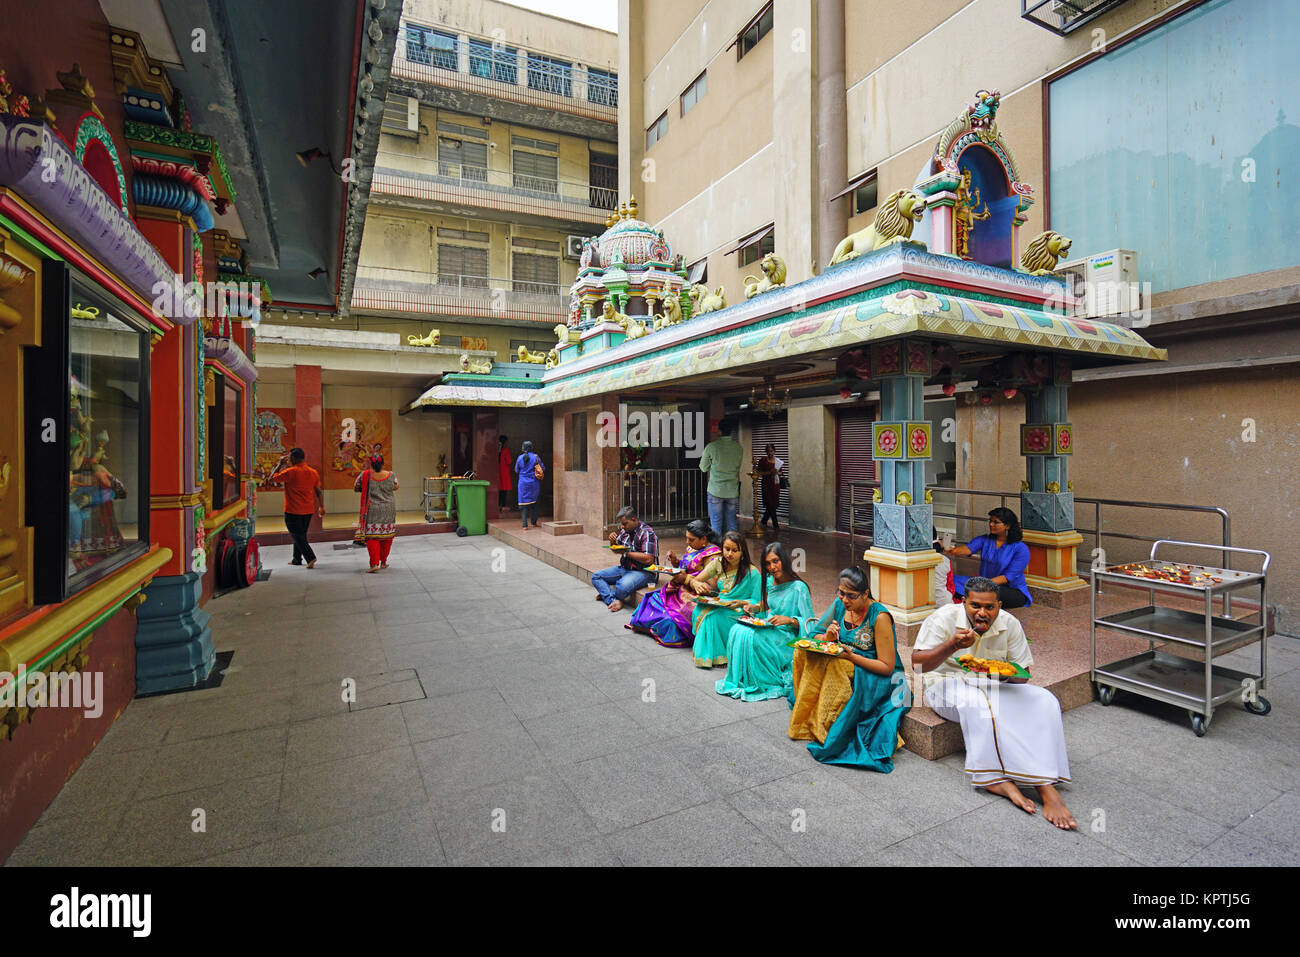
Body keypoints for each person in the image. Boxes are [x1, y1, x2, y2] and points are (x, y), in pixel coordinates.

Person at [911, 577, 1076, 830]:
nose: (982, 613)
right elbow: (918, 665)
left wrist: (1001, 673)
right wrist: (952, 644)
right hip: (945, 685)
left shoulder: (1010, 624)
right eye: (975, 605)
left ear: (999, 605)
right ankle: (994, 778)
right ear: (963, 602)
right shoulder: (943, 618)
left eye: (990, 607)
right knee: (980, 703)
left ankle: (1045, 782)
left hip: (992, 684)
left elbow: (1023, 675)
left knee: (1045, 701)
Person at [787, 566, 908, 771]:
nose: (844, 600)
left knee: (835, 665)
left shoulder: (879, 617)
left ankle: (828, 728)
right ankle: (807, 720)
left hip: (878, 676)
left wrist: (852, 657)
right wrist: (828, 637)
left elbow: (887, 667)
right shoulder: (840, 605)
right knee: (804, 652)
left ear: (865, 594)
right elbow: (815, 634)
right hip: (844, 657)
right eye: (841, 593)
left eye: (851, 596)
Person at [715, 541, 813, 702]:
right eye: (768, 564)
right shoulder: (770, 579)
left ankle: (759, 679)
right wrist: (754, 608)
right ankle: (743, 679)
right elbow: (767, 604)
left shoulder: (798, 588)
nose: (772, 567)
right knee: (738, 630)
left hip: (787, 636)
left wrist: (789, 620)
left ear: (784, 560)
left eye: (776, 561)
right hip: (769, 626)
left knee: (751, 637)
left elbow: (810, 624)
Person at [627, 519, 722, 646]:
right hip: (679, 588)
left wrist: (688, 580)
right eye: (687, 538)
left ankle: (656, 630)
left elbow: (711, 588)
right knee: (651, 599)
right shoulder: (692, 547)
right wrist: (675, 561)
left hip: (694, 595)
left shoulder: (712, 556)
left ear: (704, 539)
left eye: (691, 539)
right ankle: (647, 627)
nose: (687, 542)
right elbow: (686, 567)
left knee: (670, 619)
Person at [690, 531, 761, 668]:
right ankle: (708, 652)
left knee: (713, 617)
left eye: (735, 550)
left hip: (739, 608)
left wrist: (743, 602)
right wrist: (697, 585)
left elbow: (758, 601)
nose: (729, 554)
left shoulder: (752, 572)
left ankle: (719, 656)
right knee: (699, 609)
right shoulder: (718, 562)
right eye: (727, 549)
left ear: (742, 553)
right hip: (721, 603)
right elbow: (696, 580)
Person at [945, 507, 1032, 608]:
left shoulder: (1021, 549)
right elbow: (968, 549)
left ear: (1007, 526)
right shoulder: (985, 539)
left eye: (996, 522)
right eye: (990, 521)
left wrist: (982, 584)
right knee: (950, 580)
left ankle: (971, 599)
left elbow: (1007, 578)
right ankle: (972, 599)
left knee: (986, 591)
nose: (991, 524)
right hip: (984, 583)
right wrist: (952, 550)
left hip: (1010, 590)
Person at [593, 505, 659, 612]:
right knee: (596, 577)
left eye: (624, 523)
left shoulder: (647, 532)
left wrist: (626, 553)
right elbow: (616, 549)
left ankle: (609, 595)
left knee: (621, 586)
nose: (622, 527)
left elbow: (649, 559)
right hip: (625, 568)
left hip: (644, 572)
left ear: (633, 519)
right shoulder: (625, 531)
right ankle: (613, 599)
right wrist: (613, 542)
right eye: (621, 524)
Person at [271, 448, 324, 569]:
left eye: (289, 458)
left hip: (293, 510)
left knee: (297, 535)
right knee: (301, 534)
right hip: (308, 510)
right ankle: (296, 559)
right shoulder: (313, 472)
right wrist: (322, 506)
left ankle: (310, 557)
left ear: (294, 459)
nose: (288, 460)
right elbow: (319, 492)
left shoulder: (291, 472)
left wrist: (280, 464)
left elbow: (271, 478)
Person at [354, 454, 398, 572]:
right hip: (388, 509)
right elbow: (396, 487)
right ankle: (383, 562)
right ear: (383, 463)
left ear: (371, 464)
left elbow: (356, 486)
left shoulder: (365, 475)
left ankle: (374, 564)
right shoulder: (391, 475)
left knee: (372, 537)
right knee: (387, 536)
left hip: (372, 509)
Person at [699, 418, 742, 535]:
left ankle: (716, 551)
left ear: (719, 431)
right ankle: (735, 550)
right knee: (732, 524)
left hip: (715, 490)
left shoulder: (711, 447)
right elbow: (738, 465)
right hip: (732, 490)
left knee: (716, 525)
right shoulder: (738, 448)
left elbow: (703, 467)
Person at [514, 440, 544, 530]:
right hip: (534, 483)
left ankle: (524, 525)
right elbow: (543, 468)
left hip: (523, 483)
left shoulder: (519, 458)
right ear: (531, 448)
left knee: (523, 503)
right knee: (534, 502)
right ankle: (534, 522)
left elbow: (516, 470)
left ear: (523, 448)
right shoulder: (536, 457)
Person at [754, 443, 783, 532]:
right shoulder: (763, 460)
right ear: (766, 452)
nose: (770, 453)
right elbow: (758, 473)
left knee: (772, 504)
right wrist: (769, 472)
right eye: (768, 451)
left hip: (775, 485)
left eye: (771, 451)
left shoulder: (778, 462)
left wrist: (776, 472)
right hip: (766, 484)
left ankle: (764, 520)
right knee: (770, 503)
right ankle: (776, 525)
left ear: (774, 451)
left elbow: (781, 473)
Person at [498, 434, 513, 512]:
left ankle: (498, 505)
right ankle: (503, 505)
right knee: (504, 490)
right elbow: (509, 461)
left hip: (498, 473)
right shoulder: (506, 450)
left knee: (499, 490)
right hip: (504, 473)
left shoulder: (497, 451)